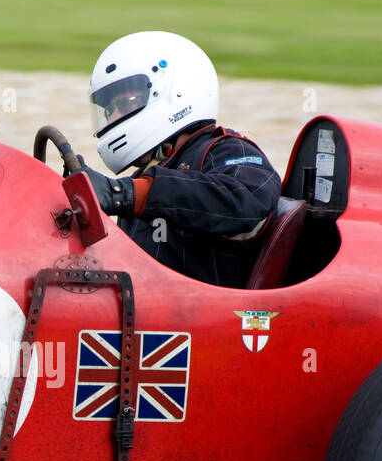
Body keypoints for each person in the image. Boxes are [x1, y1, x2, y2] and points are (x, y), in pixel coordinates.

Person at [78, 31, 282, 287]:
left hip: (206, 317)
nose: (114, 117)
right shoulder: (151, 172)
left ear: (176, 93)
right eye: (109, 110)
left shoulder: (230, 151)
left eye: (127, 103)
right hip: (143, 306)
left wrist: (125, 194)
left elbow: (245, 201)